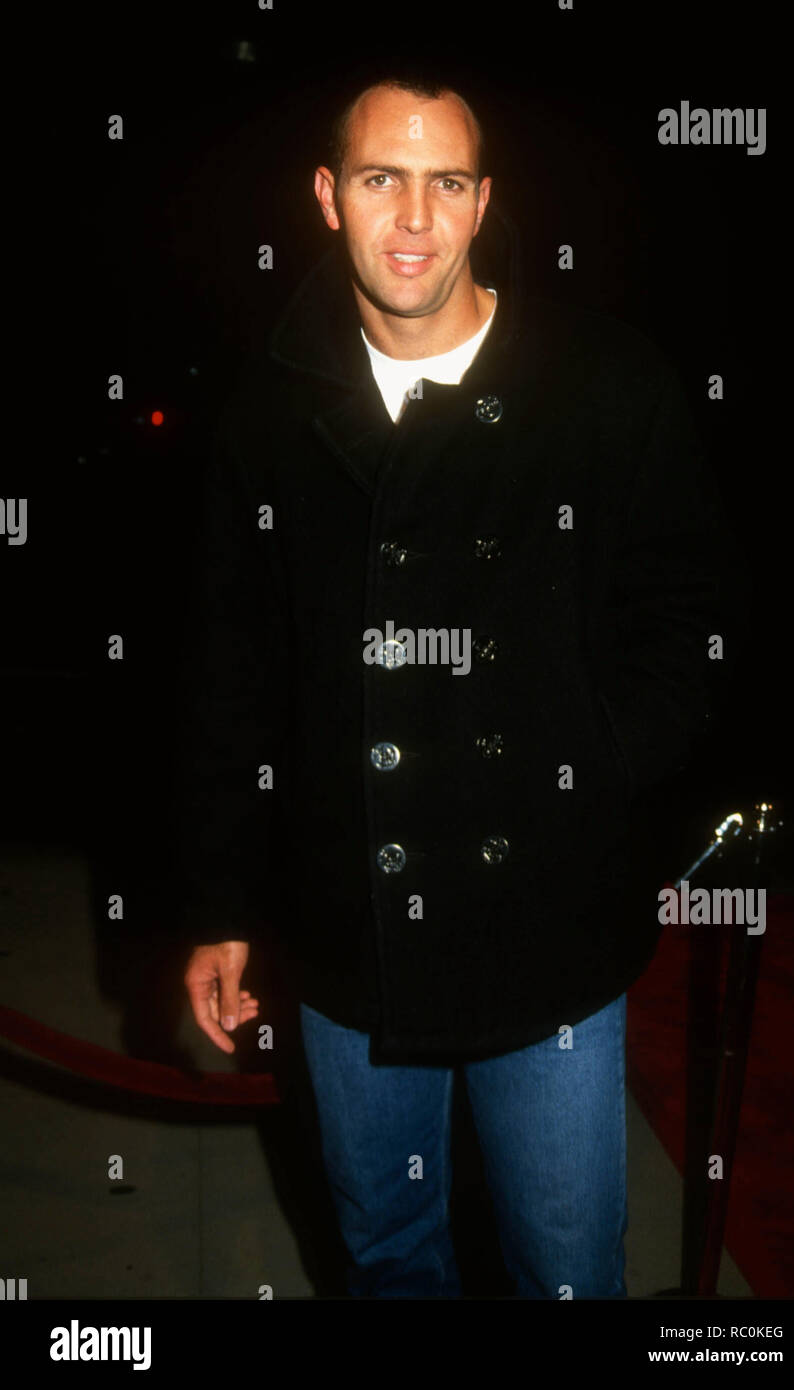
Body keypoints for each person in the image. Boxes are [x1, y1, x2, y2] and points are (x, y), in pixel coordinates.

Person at [176, 73, 729, 1298]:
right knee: (386, 1258)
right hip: (347, 931)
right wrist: (219, 896)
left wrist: (584, 771)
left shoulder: (604, 384)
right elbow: (233, 669)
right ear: (328, 198)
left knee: (567, 1265)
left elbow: (684, 629)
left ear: (483, 204)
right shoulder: (266, 412)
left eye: (445, 183)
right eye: (382, 178)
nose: (413, 217)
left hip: (546, 936)